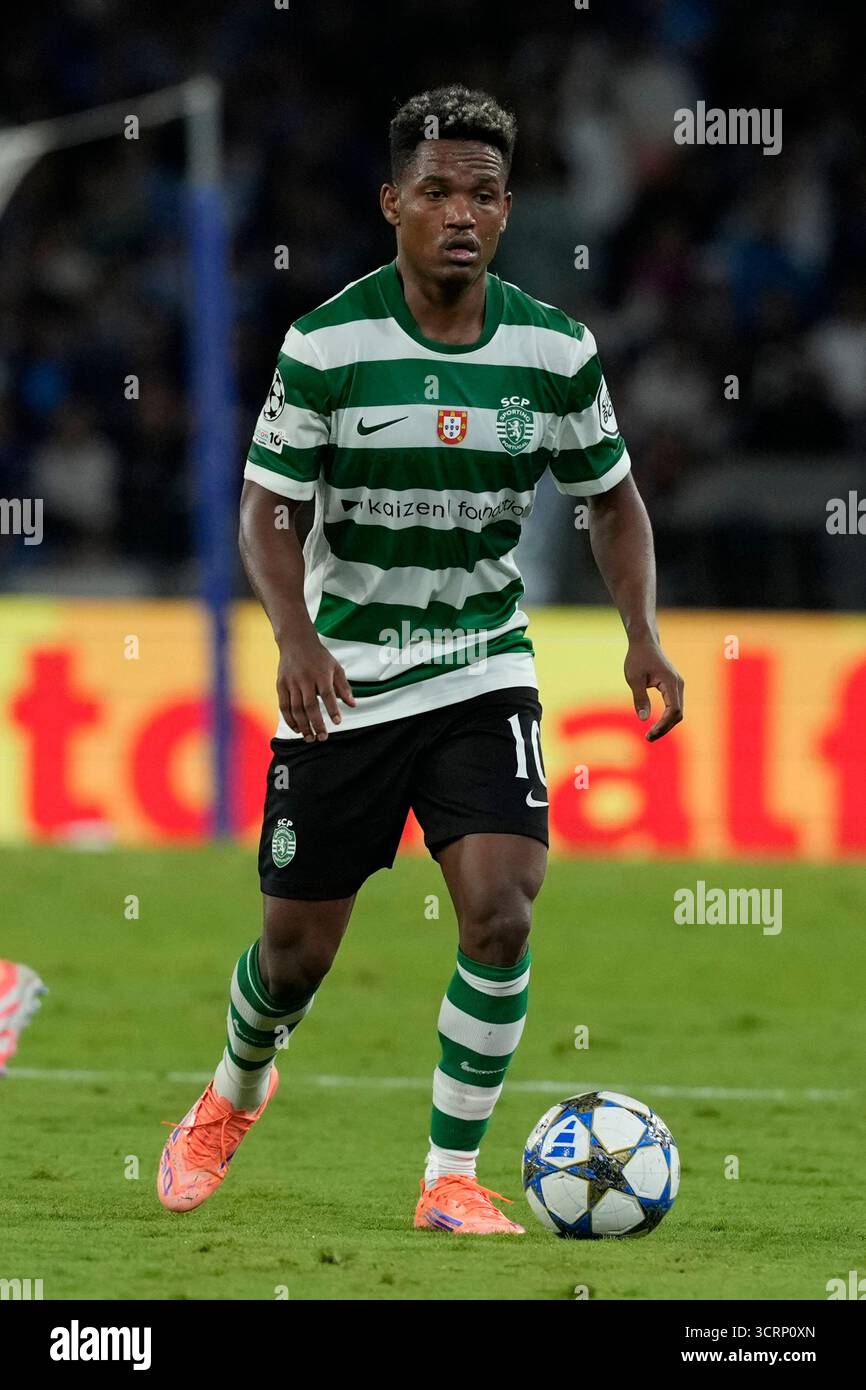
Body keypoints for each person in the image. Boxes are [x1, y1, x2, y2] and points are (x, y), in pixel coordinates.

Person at [158, 85, 683, 1234]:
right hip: (340, 678)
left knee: (499, 912)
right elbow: (264, 508)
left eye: (484, 195)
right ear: (392, 201)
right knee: (293, 957)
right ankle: (233, 1091)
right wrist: (293, 637)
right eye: (437, 190)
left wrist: (639, 630)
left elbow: (614, 504)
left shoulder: (553, 350)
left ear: (505, 213)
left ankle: (449, 1175)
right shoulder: (328, 343)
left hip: (480, 667)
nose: (461, 213)